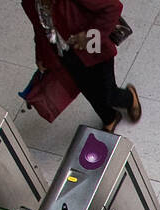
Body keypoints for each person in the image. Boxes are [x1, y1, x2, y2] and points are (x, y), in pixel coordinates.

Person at [22, 0, 141, 132]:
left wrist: (90, 37)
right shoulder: (28, 3)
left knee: (108, 93)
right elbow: (39, 29)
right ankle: (110, 117)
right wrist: (40, 55)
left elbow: (113, 8)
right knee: (89, 91)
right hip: (66, 55)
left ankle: (129, 98)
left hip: (93, 49)